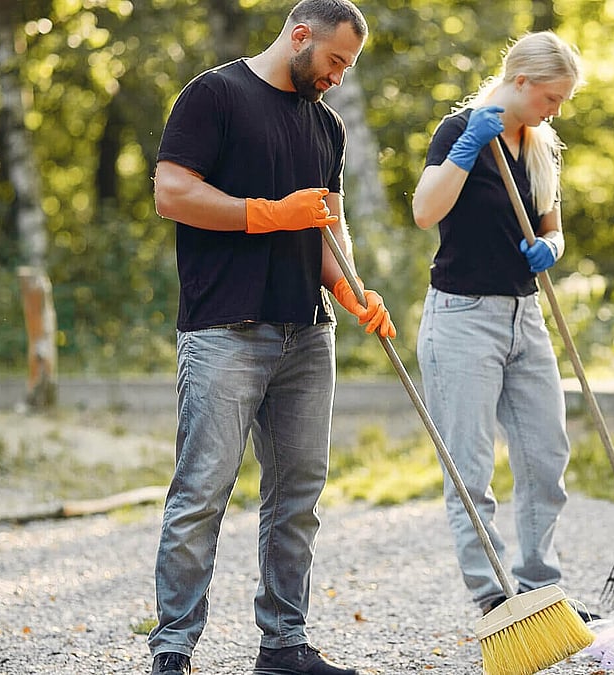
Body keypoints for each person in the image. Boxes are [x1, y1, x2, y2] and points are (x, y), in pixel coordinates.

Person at [148, 2, 393, 674]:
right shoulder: (215, 95)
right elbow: (172, 192)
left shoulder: (327, 125)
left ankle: (284, 644)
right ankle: (173, 648)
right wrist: (265, 214)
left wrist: (353, 290)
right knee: (202, 490)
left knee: (296, 497)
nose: (339, 76)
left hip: (308, 334)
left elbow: (327, 230)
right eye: (335, 60)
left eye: (349, 66)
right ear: (300, 34)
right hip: (225, 329)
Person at [410, 32, 591, 619]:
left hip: (525, 314)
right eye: (551, 97)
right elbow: (424, 213)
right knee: (471, 468)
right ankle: (495, 598)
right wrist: (465, 151)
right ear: (519, 82)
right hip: (461, 319)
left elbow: (551, 224)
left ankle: (540, 588)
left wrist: (553, 246)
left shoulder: (541, 145)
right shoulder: (461, 131)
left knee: (545, 456)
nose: (556, 109)